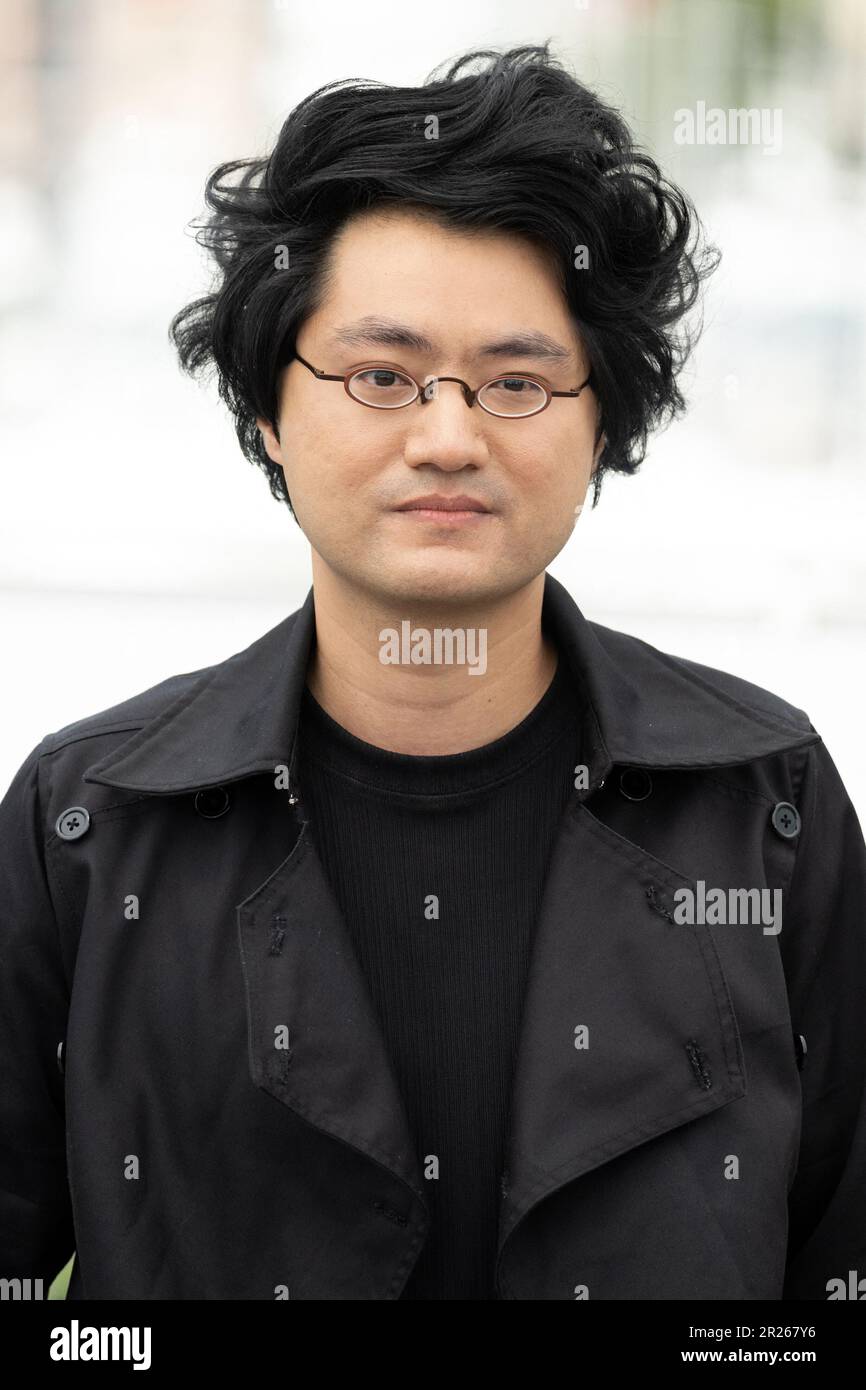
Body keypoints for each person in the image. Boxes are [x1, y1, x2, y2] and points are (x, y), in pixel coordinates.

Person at [2, 44, 864, 1301]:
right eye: (379, 376)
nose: (447, 434)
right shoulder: (84, 828)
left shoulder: (762, 809)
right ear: (266, 410)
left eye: (516, 380)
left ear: (602, 420)